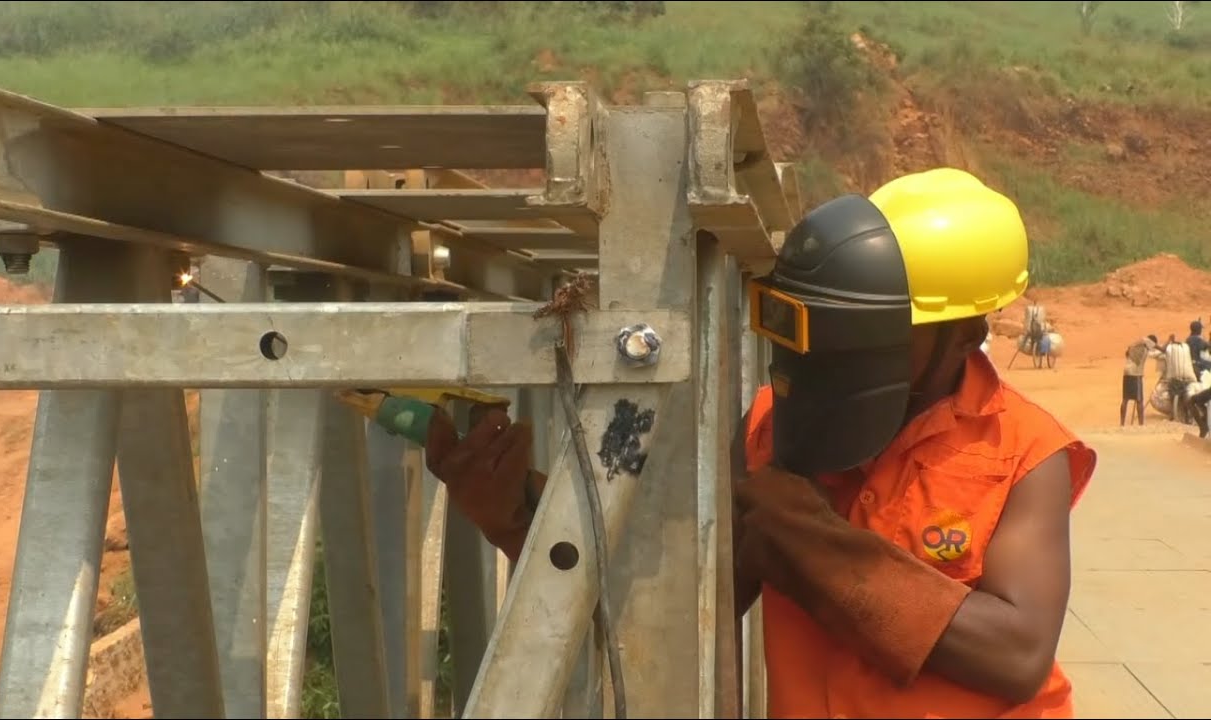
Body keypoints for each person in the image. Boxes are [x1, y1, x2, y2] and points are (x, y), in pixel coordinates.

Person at [425, 168, 1097, 718]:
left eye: (890, 329)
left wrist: (811, 541)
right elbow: (669, 589)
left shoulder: (1024, 448)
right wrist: (518, 516)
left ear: (966, 334)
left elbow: (1018, 654)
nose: (846, 347)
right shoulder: (777, 423)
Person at [1121, 334, 1162, 426]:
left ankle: (1122, 423)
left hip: (1126, 372)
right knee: (1139, 399)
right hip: (1135, 374)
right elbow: (1161, 349)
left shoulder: (1137, 346)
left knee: (1125, 399)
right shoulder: (1147, 341)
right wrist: (1170, 341)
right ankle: (1141, 424)